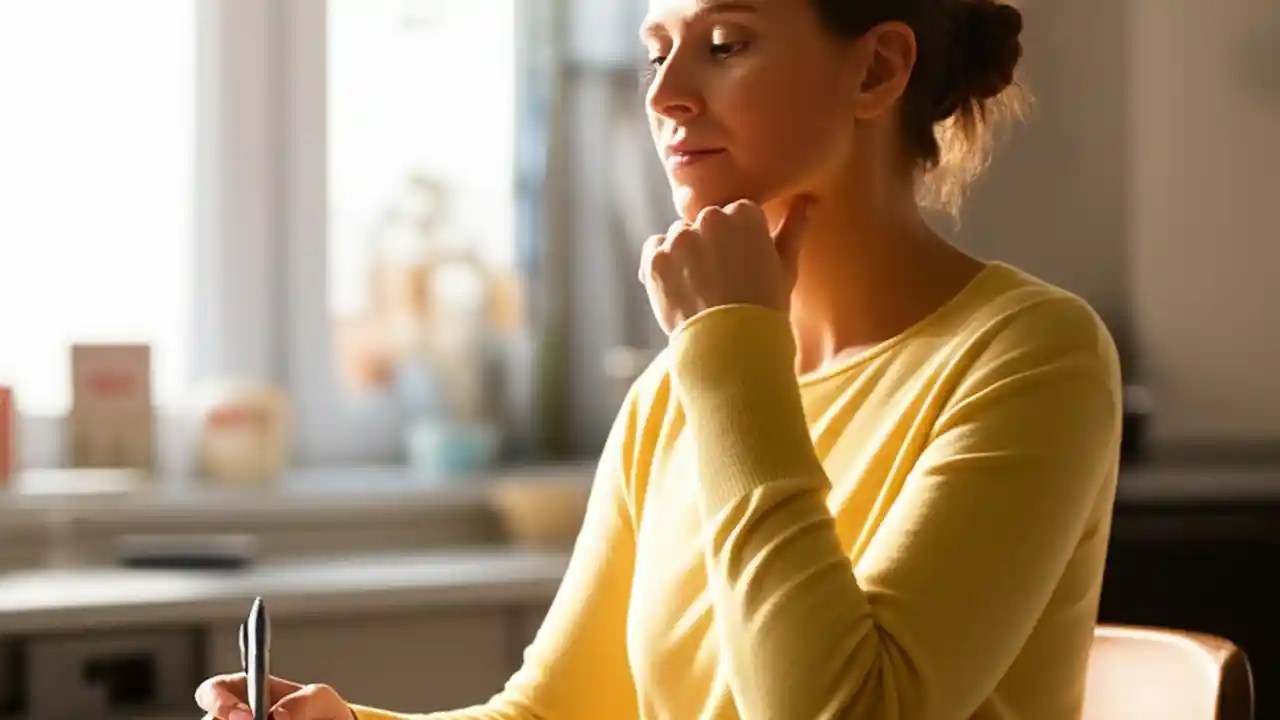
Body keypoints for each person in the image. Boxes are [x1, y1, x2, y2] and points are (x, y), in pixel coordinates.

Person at [197, 0, 1123, 717]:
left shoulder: (1031, 356)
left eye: (724, 44)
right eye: (656, 51)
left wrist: (726, 347)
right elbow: (556, 712)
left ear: (876, 70)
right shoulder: (684, 389)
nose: (664, 94)